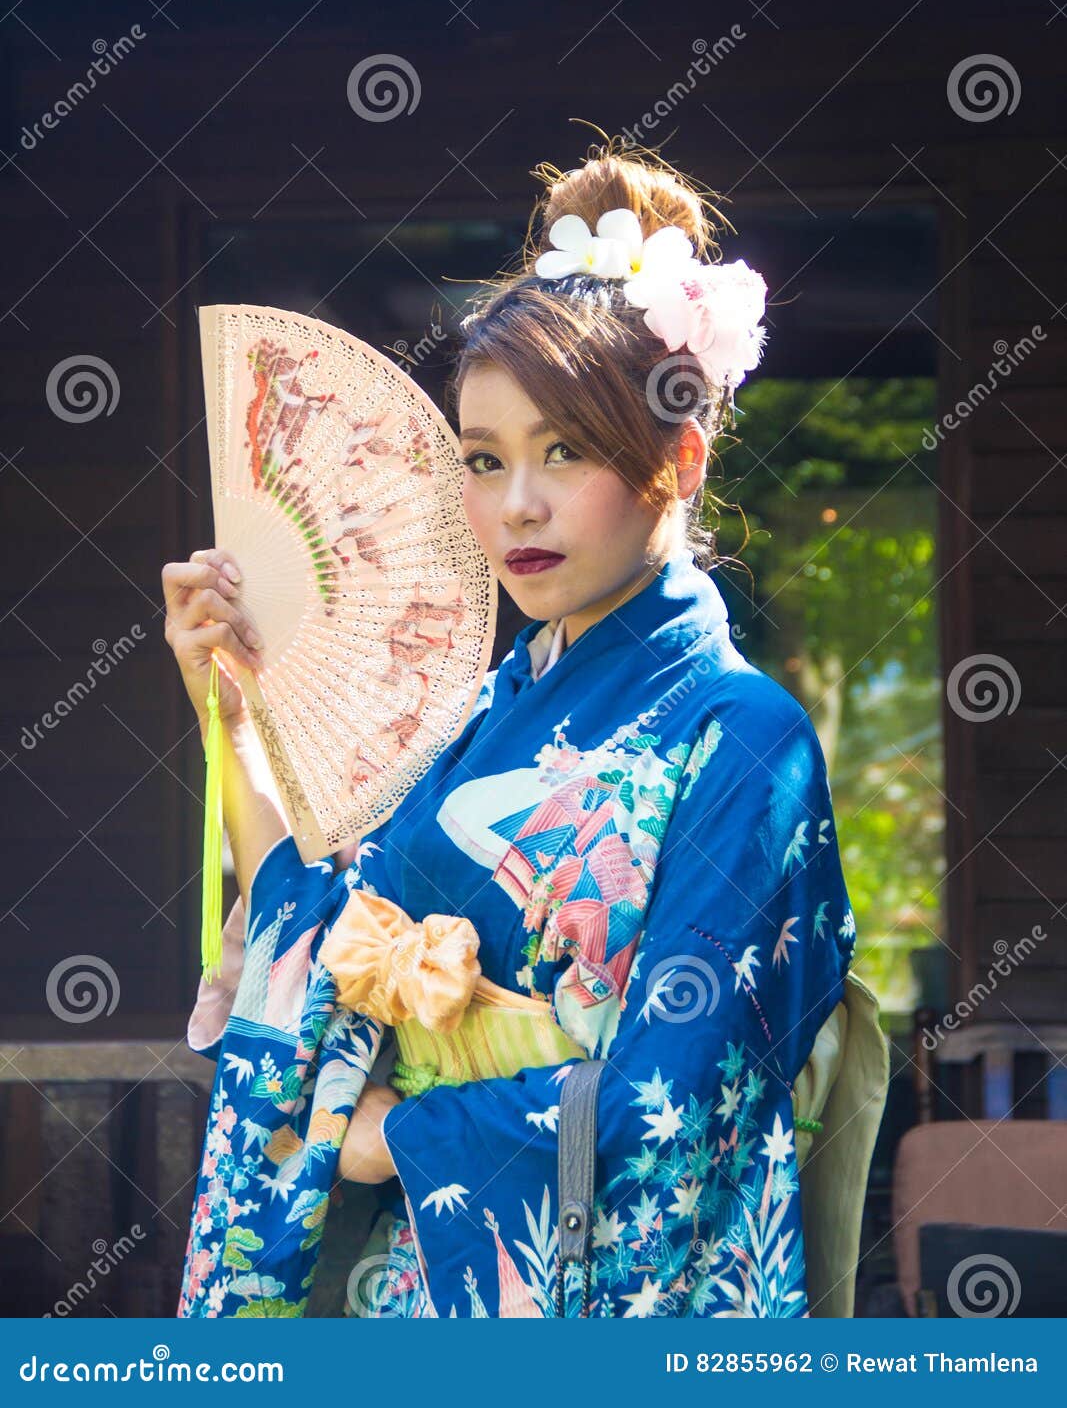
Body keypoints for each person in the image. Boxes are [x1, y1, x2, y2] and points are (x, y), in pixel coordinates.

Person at [166, 143, 882, 1319]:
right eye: (482, 460)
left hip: (606, 1298)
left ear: (678, 453)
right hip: (417, 1285)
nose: (517, 506)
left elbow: (674, 1104)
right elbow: (319, 932)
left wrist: (393, 1137)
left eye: (566, 452)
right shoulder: (475, 719)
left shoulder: (743, 736)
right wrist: (236, 719)